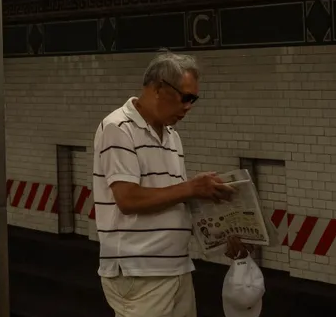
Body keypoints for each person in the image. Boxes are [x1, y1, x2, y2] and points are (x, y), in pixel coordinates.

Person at [93, 51, 236, 317]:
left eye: (194, 99)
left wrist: (221, 229)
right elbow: (128, 199)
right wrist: (192, 187)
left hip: (177, 267)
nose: (188, 107)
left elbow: (172, 199)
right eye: (186, 97)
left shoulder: (172, 136)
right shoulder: (118, 128)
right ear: (159, 88)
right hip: (140, 273)